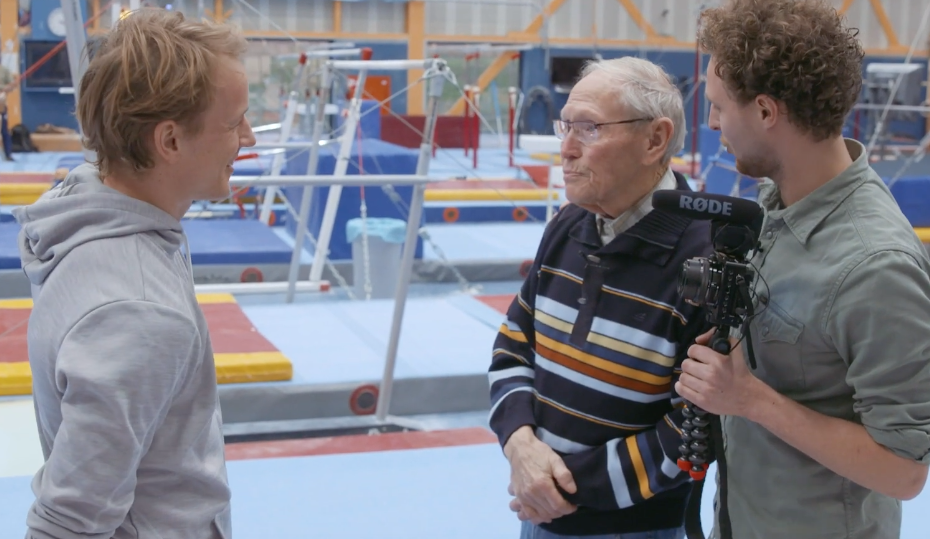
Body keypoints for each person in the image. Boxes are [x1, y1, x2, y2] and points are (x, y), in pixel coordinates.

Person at [678, 1, 930, 538]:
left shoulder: (876, 266)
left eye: (719, 106)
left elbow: (904, 470)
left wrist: (749, 399)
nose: (713, 122)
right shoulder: (778, 204)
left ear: (766, 112)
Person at [13, 8, 255, 539]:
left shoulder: (90, 207)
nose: (250, 137)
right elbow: (69, 520)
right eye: (234, 122)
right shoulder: (138, 312)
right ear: (169, 141)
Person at [487, 56, 715, 539]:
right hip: (539, 507)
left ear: (654, 140)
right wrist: (520, 446)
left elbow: (696, 427)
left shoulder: (705, 260)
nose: (566, 149)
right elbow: (512, 344)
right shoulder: (569, 224)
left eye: (589, 129)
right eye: (565, 126)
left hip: (629, 527)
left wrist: (561, 488)